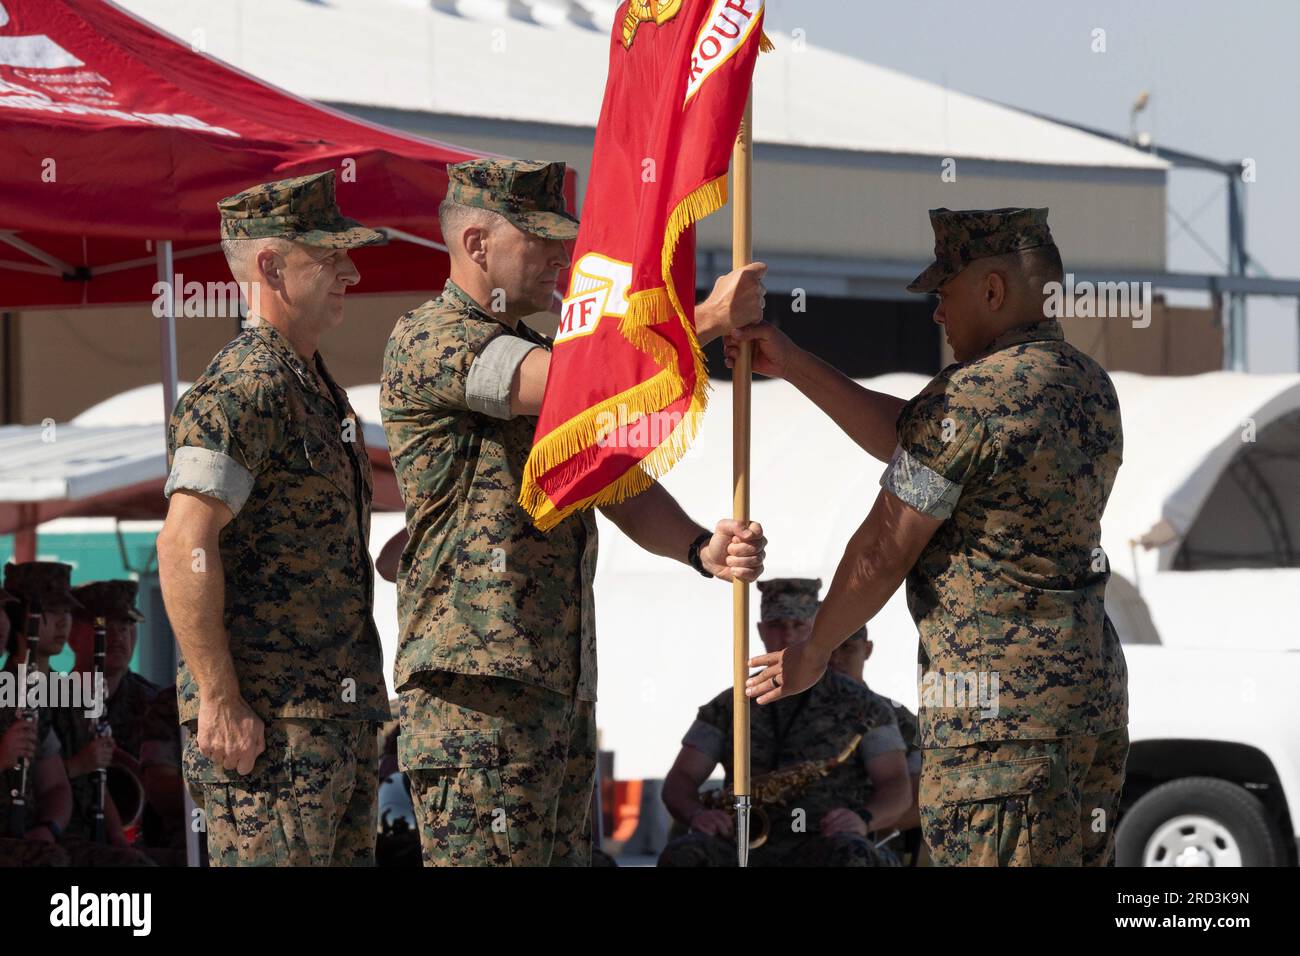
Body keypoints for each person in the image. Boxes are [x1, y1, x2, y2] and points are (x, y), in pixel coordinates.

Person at [381, 158, 768, 867]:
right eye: (541, 239)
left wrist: (696, 548)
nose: (562, 258)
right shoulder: (433, 338)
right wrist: (704, 320)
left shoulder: (538, 349)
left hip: (551, 686)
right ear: (476, 245)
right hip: (479, 693)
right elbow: (576, 396)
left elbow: (609, 475)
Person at [734, 207, 1128, 867]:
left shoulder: (976, 397)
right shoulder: (1087, 385)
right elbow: (916, 438)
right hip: (1085, 705)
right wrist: (797, 364)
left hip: (1000, 727)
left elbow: (885, 547)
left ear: (993, 291)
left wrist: (816, 649)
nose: (938, 315)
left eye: (944, 294)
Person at [157, 170, 391, 866]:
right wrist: (221, 700)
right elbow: (183, 543)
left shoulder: (311, 386)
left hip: (330, 720)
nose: (350, 270)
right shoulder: (245, 386)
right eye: (329, 256)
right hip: (269, 728)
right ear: (270, 267)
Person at [657, 579, 909, 867]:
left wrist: (864, 819)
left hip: (824, 842)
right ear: (762, 631)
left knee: (852, 855)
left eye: (799, 625)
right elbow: (680, 781)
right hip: (742, 844)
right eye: (776, 625)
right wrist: (697, 814)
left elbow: (896, 785)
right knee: (684, 854)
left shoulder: (865, 706)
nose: (787, 635)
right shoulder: (728, 706)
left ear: (816, 631)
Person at [0, 566, 152, 866]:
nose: (63, 622)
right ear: (20, 619)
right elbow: (45, 779)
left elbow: (83, 780)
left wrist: (120, 839)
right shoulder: (12, 690)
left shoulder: (67, 693)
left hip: (67, 829)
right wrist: (79, 764)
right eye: (50, 611)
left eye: (66, 612)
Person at [827, 625, 925, 865]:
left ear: (867, 649)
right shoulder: (783, 715)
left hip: (871, 851)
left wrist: (861, 820)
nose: (835, 658)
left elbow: (923, 803)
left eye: (847, 647)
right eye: (826, 649)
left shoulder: (900, 720)